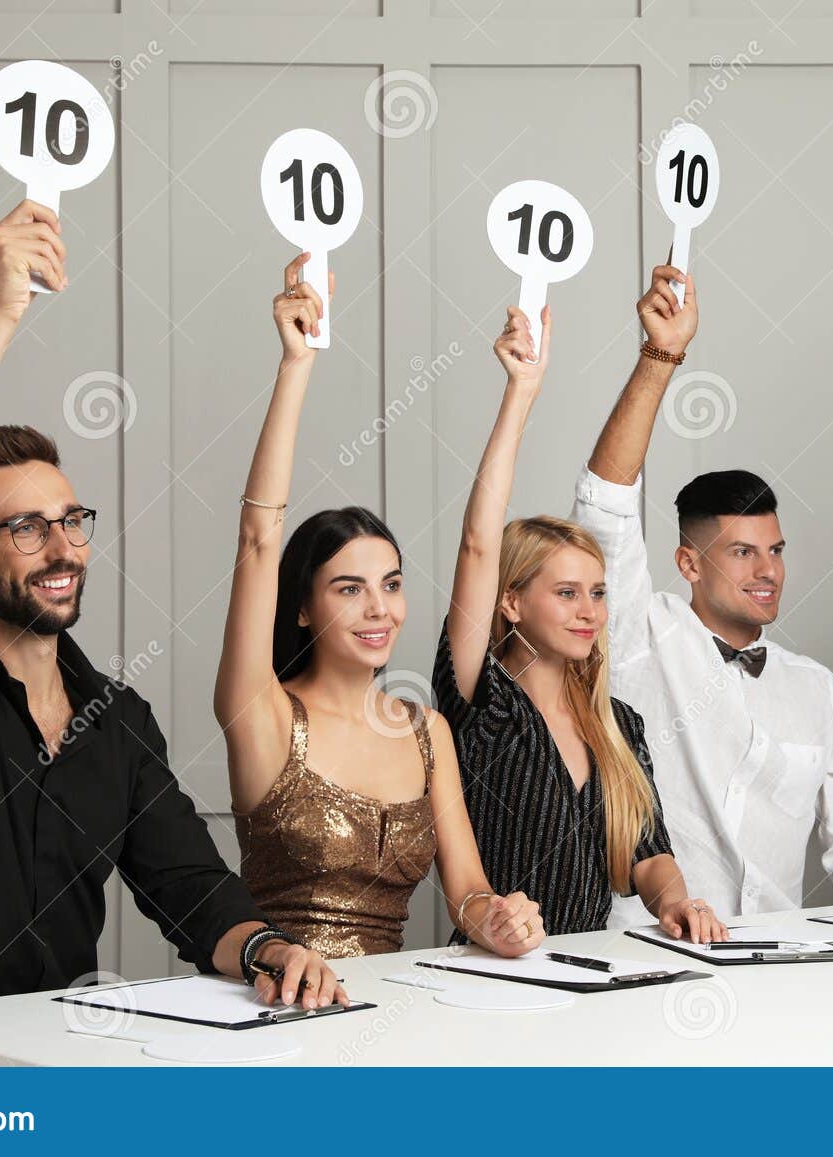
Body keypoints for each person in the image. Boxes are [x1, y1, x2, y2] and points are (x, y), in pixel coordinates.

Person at [0, 203, 344, 1067]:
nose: (62, 548)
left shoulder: (117, 725)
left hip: (38, 1087)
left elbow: (194, 891)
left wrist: (269, 947)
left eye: (71, 519)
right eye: (23, 528)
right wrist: (2, 313)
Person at [571, 263, 833, 924]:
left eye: (776, 550)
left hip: (775, 968)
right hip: (648, 955)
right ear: (689, 562)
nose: (767, 570)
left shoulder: (819, 693)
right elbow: (605, 508)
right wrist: (660, 357)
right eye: (742, 552)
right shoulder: (640, 638)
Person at [214, 254, 544, 960]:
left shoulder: (428, 732)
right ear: (300, 607)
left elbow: (468, 889)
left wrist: (496, 918)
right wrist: (296, 365)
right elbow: (257, 539)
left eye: (391, 583)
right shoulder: (262, 712)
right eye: (348, 587)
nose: (379, 608)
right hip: (277, 1009)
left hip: (391, 1017)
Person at [435, 303, 728, 944]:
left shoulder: (619, 724)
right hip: (492, 974)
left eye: (597, 592)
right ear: (510, 602)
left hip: (596, 976)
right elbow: (478, 546)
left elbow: (649, 855)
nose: (590, 609)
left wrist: (676, 902)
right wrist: (522, 390)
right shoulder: (480, 705)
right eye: (566, 592)